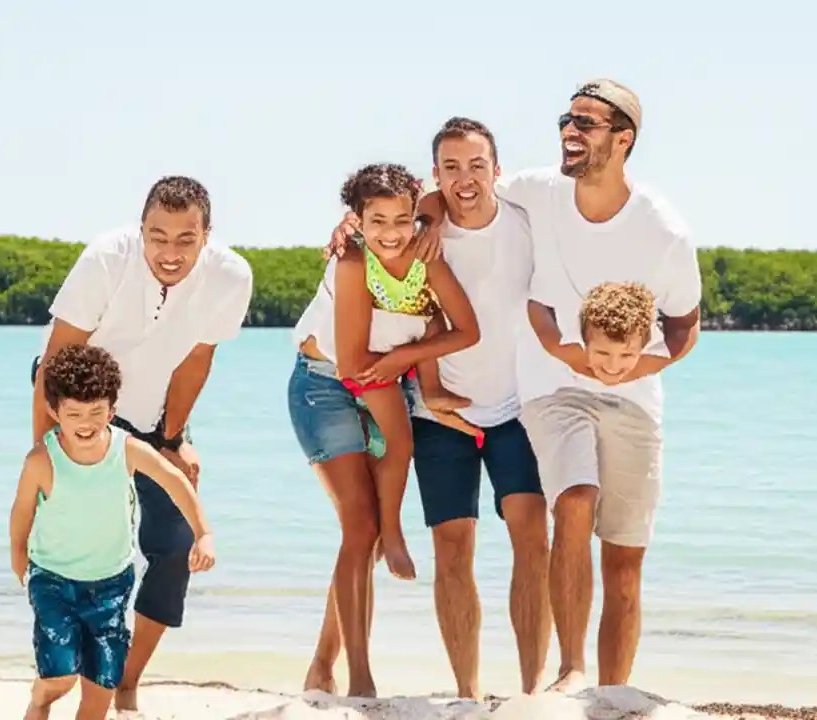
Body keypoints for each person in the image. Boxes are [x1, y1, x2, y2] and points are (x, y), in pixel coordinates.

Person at [419, 80, 703, 693]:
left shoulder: (664, 229)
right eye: (566, 120)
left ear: (623, 139)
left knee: (624, 560)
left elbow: (685, 326)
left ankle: (611, 692)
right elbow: (452, 189)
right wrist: (409, 217)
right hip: (552, 391)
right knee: (573, 502)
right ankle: (570, 670)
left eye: (587, 124)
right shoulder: (537, 190)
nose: (570, 133)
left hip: (634, 400)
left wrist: (640, 368)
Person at [325, 118, 551, 698]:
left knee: (531, 534)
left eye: (476, 165)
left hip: (514, 409)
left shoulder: (526, 222)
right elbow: (381, 225)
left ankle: (531, 692)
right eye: (450, 167)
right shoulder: (420, 232)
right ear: (436, 175)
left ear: (497, 170)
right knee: (453, 547)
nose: (464, 178)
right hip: (437, 414)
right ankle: (468, 695)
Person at [31, 175, 253, 711]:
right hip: (81, 407)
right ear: (141, 229)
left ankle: (125, 679)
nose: (169, 252)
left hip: (155, 414)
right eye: (158, 236)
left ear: (208, 235)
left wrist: (175, 437)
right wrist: (48, 457)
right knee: (75, 548)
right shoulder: (107, 259)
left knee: (175, 548)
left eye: (185, 239)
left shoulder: (230, 276)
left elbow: (198, 359)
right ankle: (60, 676)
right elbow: (56, 363)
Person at [290, 162, 480, 697]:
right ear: (356, 219)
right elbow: (350, 362)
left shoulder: (424, 251)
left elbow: (465, 328)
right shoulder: (351, 259)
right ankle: (360, 678)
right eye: (378, 221)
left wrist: (411, 356)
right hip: (327, 379)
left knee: (377, 508)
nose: (392, 232)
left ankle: (323, 665)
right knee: (359, 528)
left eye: (403, 219)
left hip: (385, 370)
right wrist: (410, 361)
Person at [10, 343, 217, 720]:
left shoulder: (128, 450)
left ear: (113, 410)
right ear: (54, 412)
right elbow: (22, 511)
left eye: (96, 412)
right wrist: (17, 555)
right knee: (60, 677)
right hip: (53, 581)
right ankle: (39, 699)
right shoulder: (42, 460)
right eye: (73, 413)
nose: (85, 422)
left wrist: (203, 533)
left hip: (110, 585)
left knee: (100, 691)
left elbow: (174, 481)